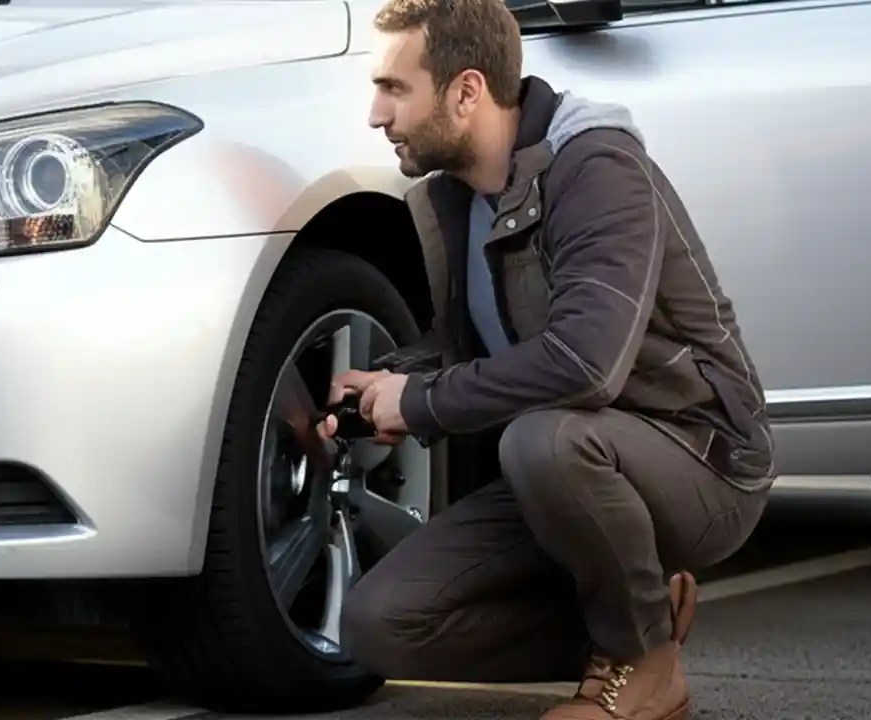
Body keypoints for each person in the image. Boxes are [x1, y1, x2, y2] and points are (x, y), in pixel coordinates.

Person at [317, 1, 777, 718]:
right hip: (571, 464)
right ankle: (643, 611)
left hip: (700, 459)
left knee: (541, 440)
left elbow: (586, 362)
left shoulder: (595, 167)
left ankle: (646, 670)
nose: (377, 114)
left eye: (395, 88)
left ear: (467, 92)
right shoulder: (453, 197)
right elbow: (470, 346)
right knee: (382, 624)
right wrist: (389, 383)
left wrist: (421, 404)